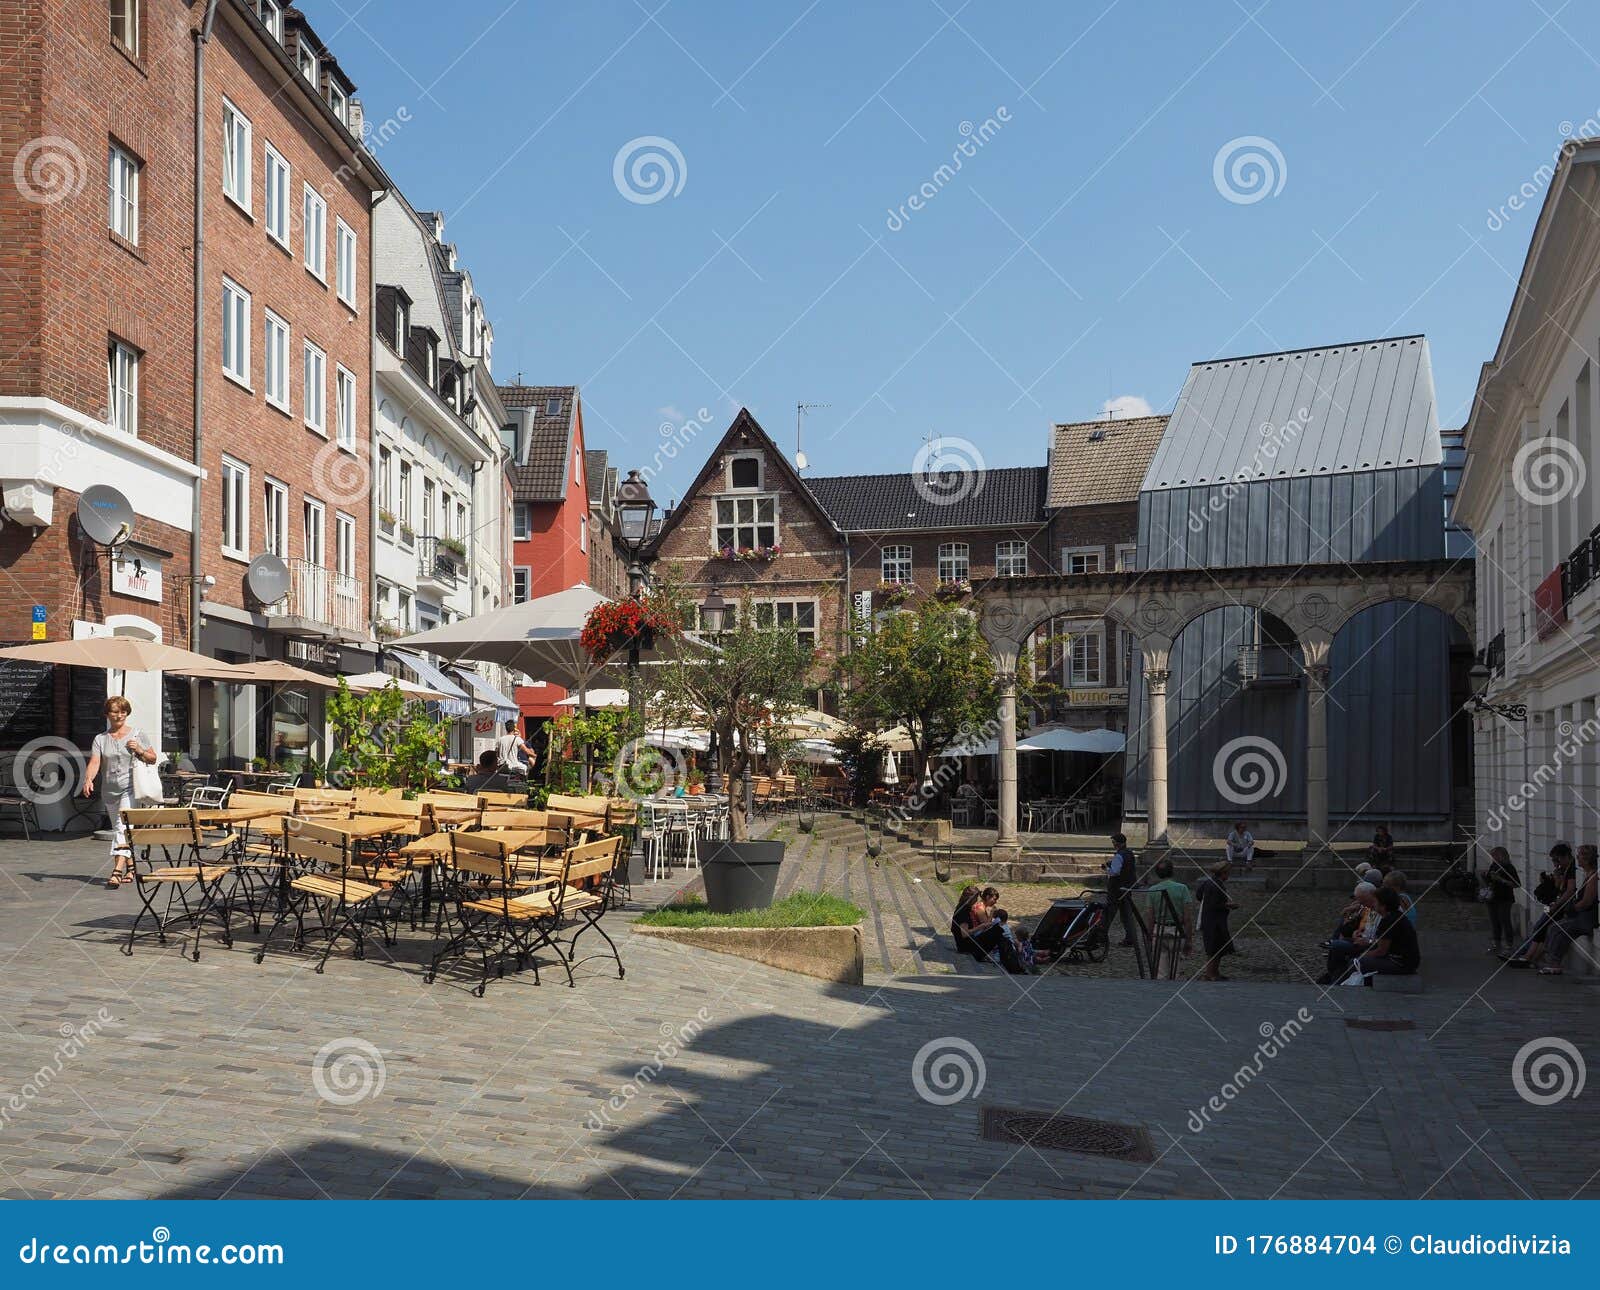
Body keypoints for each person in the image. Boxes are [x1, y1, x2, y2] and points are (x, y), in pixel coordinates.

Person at [80, 696, 159, 889]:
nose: (120, 715)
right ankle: (131, 868)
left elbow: (153, 758)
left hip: (130, 788)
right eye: (115, 711)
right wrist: (88, 779)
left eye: (123, 711)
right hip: (109, 790)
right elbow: (95, 762)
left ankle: (116, 871)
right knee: (123, 830)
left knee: (121, 828)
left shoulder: (137, 734)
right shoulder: (100, 739)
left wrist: (139, 749)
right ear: (107, 714)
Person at [1524, 845, 1598, 975]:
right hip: (1581, 916)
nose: (1577, 858)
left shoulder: (1592, 877)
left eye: (1579, 856)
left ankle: (1554, 963)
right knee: (1553, 928)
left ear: (1586, 859)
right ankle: (1551, 961)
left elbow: (1587, 901)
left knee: (1557, 929)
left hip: (1585, 918)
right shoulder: (1587, 874)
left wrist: (1573, 908)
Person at [1324, 887, 1420, 983]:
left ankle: (1340, 985)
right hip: (1400, 960)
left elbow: (1381, 951)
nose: (1373, 905)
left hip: (1401, 963)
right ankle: (1335, 980)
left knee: (1356, 962)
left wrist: (1361, 955)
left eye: (1375, 902)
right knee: (1339, 948)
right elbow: (1382, 943)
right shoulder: (1393, 916)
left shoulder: (1388, 920)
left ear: (1383, 905)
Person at [1504, 844, 1576, 965]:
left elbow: (1569, 891)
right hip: (1554, 904)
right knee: (1539, 927)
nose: (1555, 863)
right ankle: (1527, 956)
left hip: (1560, 906)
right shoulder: (1563, 869)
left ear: (1566, 856)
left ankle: (1529, 958)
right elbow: (1559, 889)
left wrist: (1557, 902)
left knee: (1541, 928)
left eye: (1556, 860)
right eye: (1553, 860)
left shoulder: (1572, 869)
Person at [1194, 860, 1237, 981]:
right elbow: (1214, 905)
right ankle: (1210, 973)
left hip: (1209, 919)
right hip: (1214, 921)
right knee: (1214, 948)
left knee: (1218, 947)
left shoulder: (1208, 882)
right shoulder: (1216, 885)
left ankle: (1214, 972)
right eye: (1228, 873)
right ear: (1223, 873)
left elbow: (1198, 895)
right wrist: (1228, 905)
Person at [1144, 857, 1193, 955]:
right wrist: (1189, 940)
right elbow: (1187, 918)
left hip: (1159, 931)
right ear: (1172, 871)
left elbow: (1150, 917)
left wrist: (1149, 936)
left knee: (1161, 968)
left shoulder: (1152, 890)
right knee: (1177, 966)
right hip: (1177, 930)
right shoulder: (1182, 888)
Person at [1484, 845, 1520, 955]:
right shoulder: (1494, 865)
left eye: (1494, 856)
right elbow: (1490, 880)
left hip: (1505, 898)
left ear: (1501, 856)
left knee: (1505, 920)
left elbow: (1516, 884)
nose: (1492, 858)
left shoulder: (1509, 867)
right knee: (1494, 921)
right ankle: (1496, 944)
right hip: (1493, 898)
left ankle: (1509, 945)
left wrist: (1501, 880)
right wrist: (1485, 876)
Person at [1106, 832, 1139, 948]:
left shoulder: (1119, 856)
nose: (1113, 845)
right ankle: (1130, 937)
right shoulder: (1129, 854)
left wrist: (1106, 868)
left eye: (1114, 843)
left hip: (1116, 889)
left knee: (1109, 913)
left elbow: (1115, 872)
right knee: (1126, 915)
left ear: (1117, 844)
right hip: (1126, 888)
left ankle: (1100, 936)